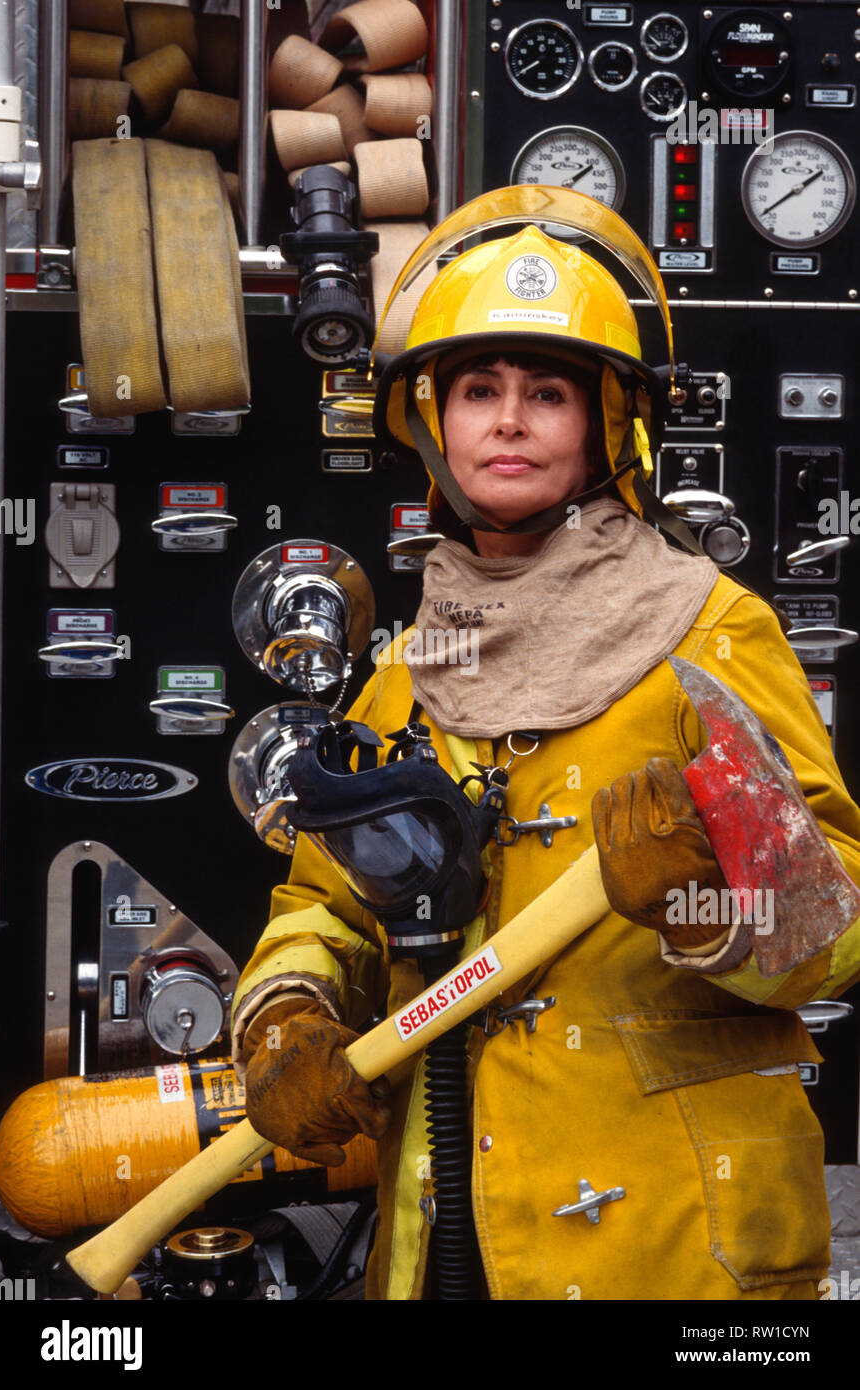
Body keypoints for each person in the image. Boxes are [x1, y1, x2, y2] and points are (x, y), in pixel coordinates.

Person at [231, 206, 860, 1301]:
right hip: (447, 1230)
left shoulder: (710, 638)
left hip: (670, 1244)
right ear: (432, 422)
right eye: (478, 390)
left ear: (607, 425)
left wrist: (705, 899)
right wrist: (287, 1022)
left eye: (548, 393)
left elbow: (839, 930)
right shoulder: (406, 674)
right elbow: (321, 908)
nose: (509, 421)